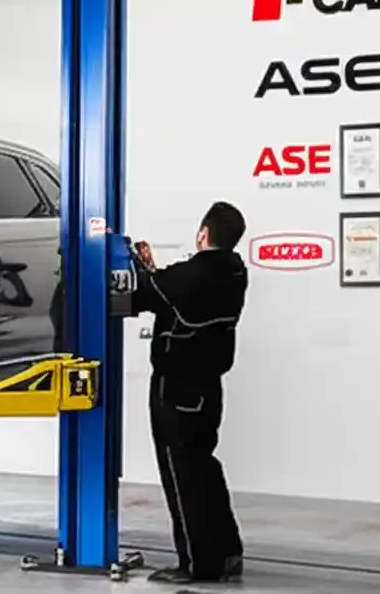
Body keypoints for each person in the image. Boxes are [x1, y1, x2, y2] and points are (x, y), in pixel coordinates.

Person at [133, 201, 248, 585]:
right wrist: (152, 270)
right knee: (205, 468)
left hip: (176, 387)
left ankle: (197, 564)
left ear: (203, 233)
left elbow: (148, 293)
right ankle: (228, 553)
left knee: (181, 476)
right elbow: (169, 288)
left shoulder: (192, 275)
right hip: (209, 388)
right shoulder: (234, 272)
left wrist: (138, 267)